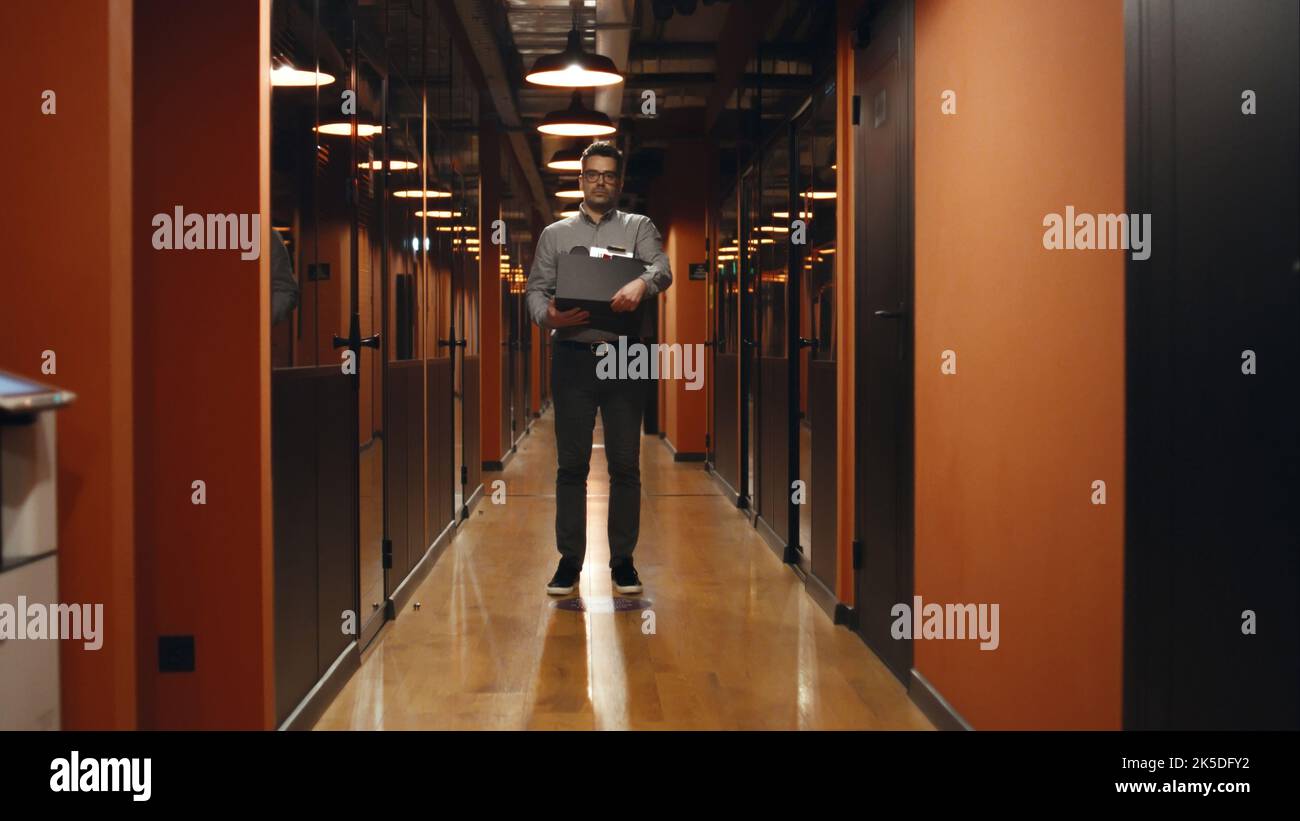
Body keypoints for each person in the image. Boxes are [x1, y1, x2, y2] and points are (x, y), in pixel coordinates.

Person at [524, 140, 672, 596]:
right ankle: (569, 562)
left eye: (609, 175)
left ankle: (623, 562)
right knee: (572, 465)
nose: (601, 182)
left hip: (626, 356)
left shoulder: (638, 227)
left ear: (619, 182)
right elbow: (534, 292)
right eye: (593, 174)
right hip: (572, 357)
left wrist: (640, 284)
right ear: (581, 179)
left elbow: (663, 268)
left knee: (625, 464)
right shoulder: (556, 234)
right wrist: (549, 317)